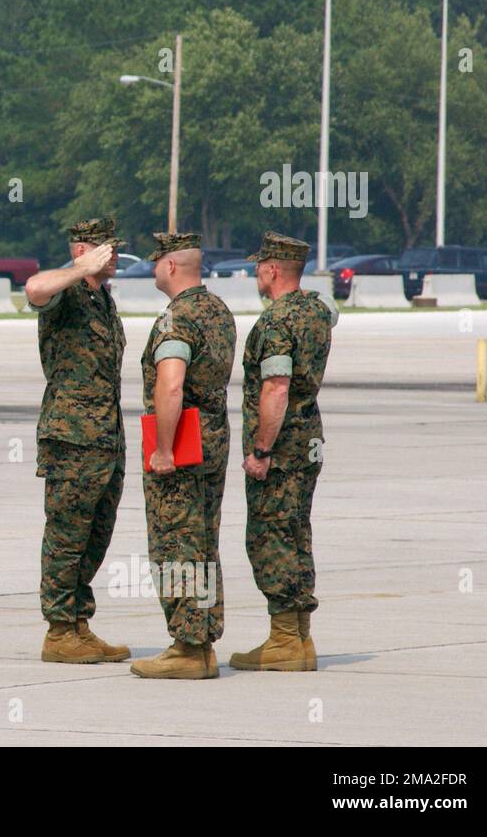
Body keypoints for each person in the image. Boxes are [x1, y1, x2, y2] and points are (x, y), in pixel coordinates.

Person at [129, 233, 236, 680]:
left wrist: (163, 450)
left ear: (171, 266)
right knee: (204, 543)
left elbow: (171, 385)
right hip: (213, 441)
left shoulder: (177, 319)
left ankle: (188, 647)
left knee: (176, 545)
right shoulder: (219, 312)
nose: (153, 268)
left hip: (183, 448)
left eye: (157, 261)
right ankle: (204, 641)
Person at [23, 218, 130, 664]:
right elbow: (33, 289)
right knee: (66, 535)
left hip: (105, 436)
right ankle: (59, 630)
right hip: (72, 437)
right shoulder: (65, 291)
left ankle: (79, 624)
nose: (118, 258)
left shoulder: (102, 299)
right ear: (87, 250)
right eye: (110, 250)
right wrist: (77, 267)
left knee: (96, 534)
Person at [231, 231, 335, 672]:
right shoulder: (314, 311)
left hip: (282, 448)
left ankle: (284, 640)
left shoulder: (276, 323)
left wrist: (261, 449)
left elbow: (275, 387)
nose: (256, 273)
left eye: (259, 266)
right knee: (297, 535)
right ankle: (300, 639)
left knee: (270, 538)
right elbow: (332, 313)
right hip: (308, 439)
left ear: (273, 270)